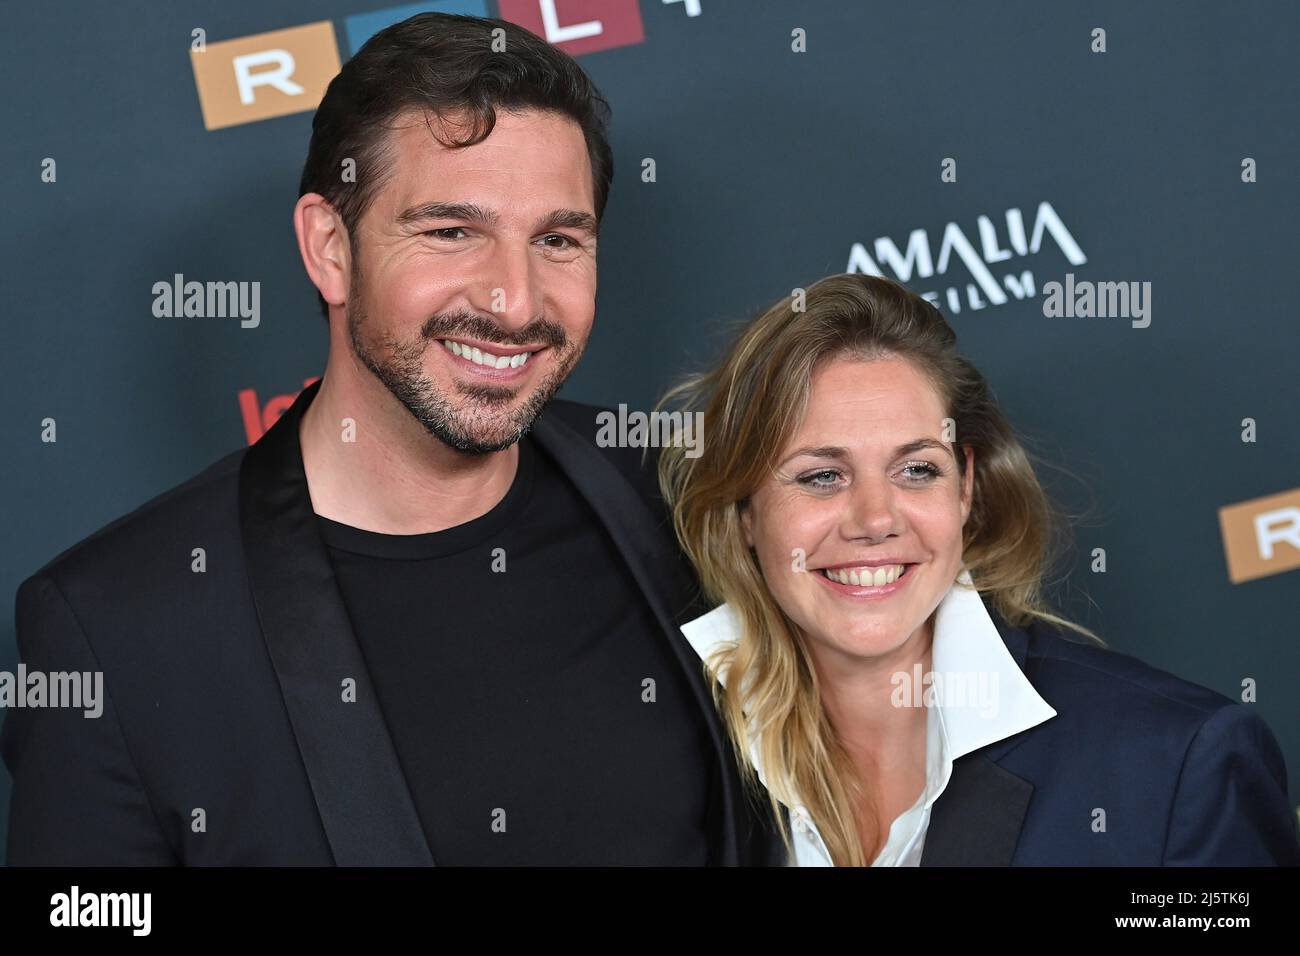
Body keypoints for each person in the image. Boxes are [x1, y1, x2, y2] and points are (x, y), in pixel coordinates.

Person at [1, 12, 781, 866]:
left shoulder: (685, 498)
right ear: (330, 248)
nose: (514, 303)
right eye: (451, 232)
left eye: (557, 240)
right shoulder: (117, 631)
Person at [657, 273, 1300, 866]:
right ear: (744, 511)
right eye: (821, 476)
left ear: (965, 487)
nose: (875, 519)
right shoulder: (667, 757)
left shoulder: (1179, 763)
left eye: (917, 470)